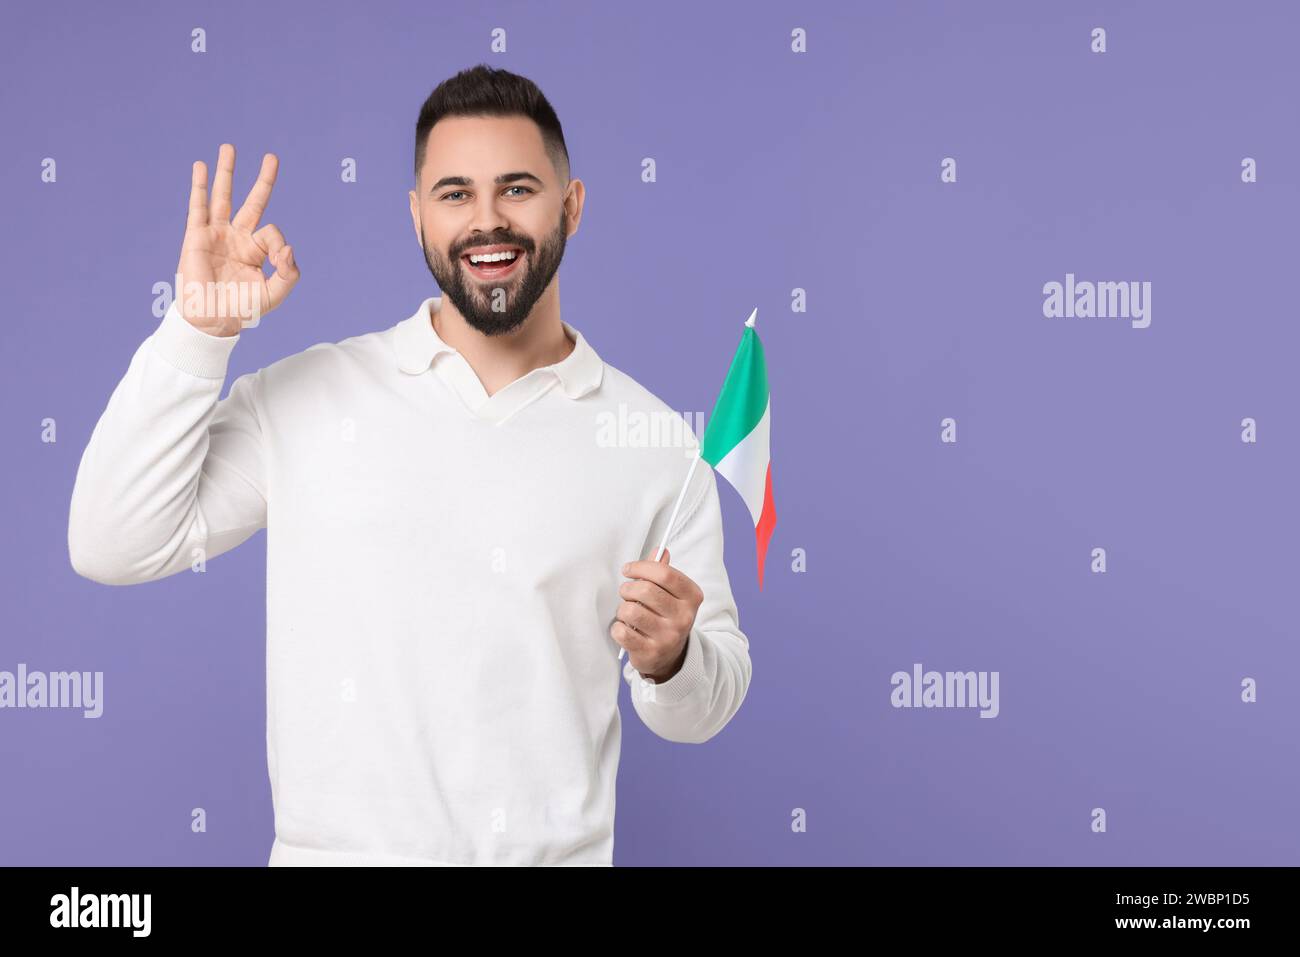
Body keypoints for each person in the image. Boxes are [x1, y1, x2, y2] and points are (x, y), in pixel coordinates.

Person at [67, 64, 751, 866]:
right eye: (455, 193)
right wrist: (196, 331)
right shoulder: (310, 400)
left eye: (518, 188)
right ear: (417, 216)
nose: (486, 221)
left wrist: (674, 660)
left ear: (571, 206)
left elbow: (704, 704)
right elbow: (111, 542)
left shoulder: (656, 446)